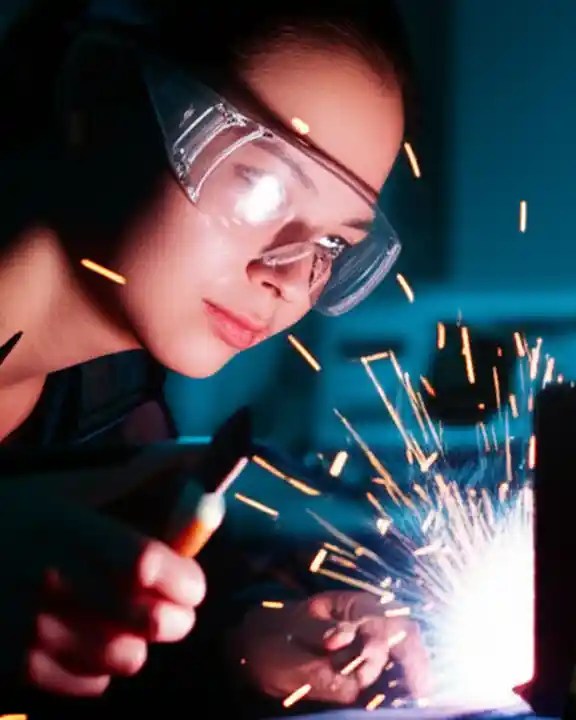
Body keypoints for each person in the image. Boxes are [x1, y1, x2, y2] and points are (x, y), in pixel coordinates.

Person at [0, 0, 428, 712]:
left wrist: (253, 643)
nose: (290, 276)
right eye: (261, 185)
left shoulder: (117, 403)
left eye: (334, 244)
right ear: (99, 95)